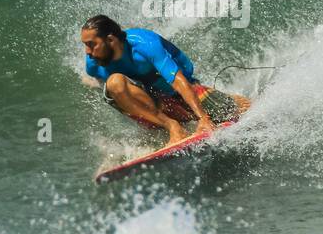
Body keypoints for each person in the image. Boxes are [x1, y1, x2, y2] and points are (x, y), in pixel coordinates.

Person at [80, 14, 249, 144]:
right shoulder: (94, 64)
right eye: (85, 45)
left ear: (110, 39)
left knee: (232, 110)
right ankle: (172, 126)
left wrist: (203, 117)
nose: (87, 52)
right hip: (157, 107)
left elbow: (178, 81)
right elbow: (115, 91)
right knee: (114, 83)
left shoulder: (145, 44)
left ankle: (236, 101)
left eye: (91, 44)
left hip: (181, 92)